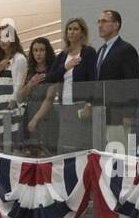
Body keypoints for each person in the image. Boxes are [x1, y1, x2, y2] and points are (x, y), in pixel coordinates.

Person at [31, 18, 98, 152]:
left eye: (75, 29)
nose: (72, 32)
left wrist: (89, 104)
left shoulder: (88, 52)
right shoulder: (63, 55)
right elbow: (51, 77)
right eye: (69, 29)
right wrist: (66, 67)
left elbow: (93, 80)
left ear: (82, 33)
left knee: (81, 145)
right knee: (65, 146)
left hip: (80, 104)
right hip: (64, 106)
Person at [94, 9, 139, 145]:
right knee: (103, 154)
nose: (99, 25)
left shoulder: (126, 49)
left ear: (116, 25)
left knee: (119, 153)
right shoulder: (101, 51)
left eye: (104, 21)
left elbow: (133, 82)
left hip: (118, 114)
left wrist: (129, 112)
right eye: (98, 21)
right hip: (101, 113)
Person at [0, 19, 27, 134]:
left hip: (11, 107)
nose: (2, 40)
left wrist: (11, 104)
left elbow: (19, 85)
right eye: (0, 37)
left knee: (11, 139)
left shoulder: (19, 58)